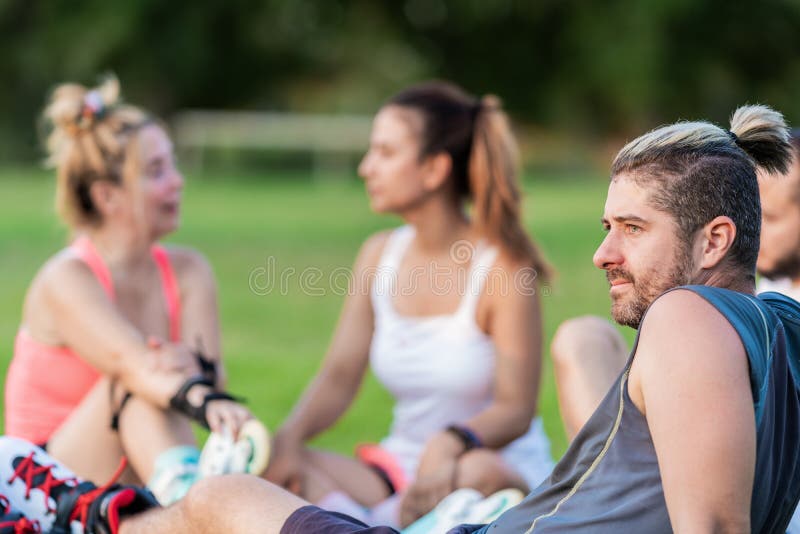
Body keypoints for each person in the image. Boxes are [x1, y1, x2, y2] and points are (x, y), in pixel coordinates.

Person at [2, 103, 798, 534]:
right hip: (458, 498)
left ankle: (85, 518)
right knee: (245, 487)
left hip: (476, 493)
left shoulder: (690, 318)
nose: (601, 255)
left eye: (631, 230)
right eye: (604, 228)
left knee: (224, 501)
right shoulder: (778, 327)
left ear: (714, 240)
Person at [264, 81, 555, 527]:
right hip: (400, 472)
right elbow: (340, 375)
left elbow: (516, 410)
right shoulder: (379, 253)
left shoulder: (504, 268)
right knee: (288, 471)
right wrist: (287, 437)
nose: (366, 168)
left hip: (486, 467)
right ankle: (382, 523)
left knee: (476, 472)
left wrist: (450, 441)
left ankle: (368, 522)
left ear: (434, 170)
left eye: (385, 153)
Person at [3, 77, 268, 506]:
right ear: (108, 196)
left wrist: (192, 372)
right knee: (128, 384)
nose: (178, 182)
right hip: (41, 491)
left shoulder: (189, 270)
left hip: (124, 467)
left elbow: (211, 375)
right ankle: (192, 506)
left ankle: (189, 500)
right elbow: (136, 366)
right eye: (157, 171)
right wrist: (195, 388)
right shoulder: (66, 278)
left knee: (147, 383)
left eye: (173, 165)